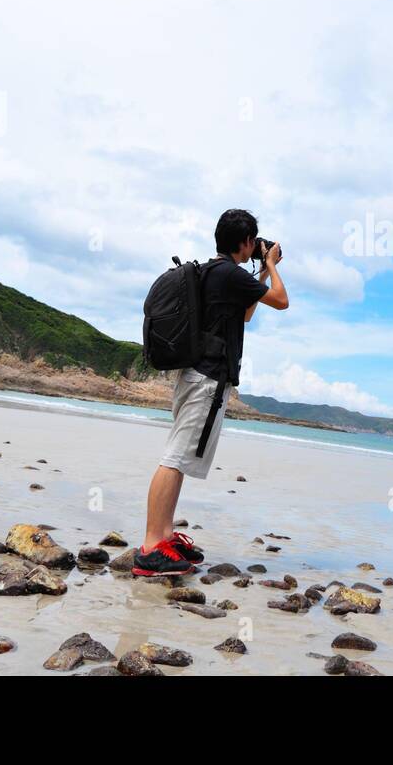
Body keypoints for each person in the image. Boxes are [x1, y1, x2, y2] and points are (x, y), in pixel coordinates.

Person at [133, 209, 288, 576]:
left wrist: (261, 269)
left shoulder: (213, 272)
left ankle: (164, 537)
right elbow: (280, 300)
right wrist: (272, 264)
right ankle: (151, 546)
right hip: (207, 379)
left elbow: (246, 314)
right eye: (255, 242)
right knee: (175, 458)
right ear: (247, 242)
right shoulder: (228, 273)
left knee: (181, 457)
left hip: (196, 375)